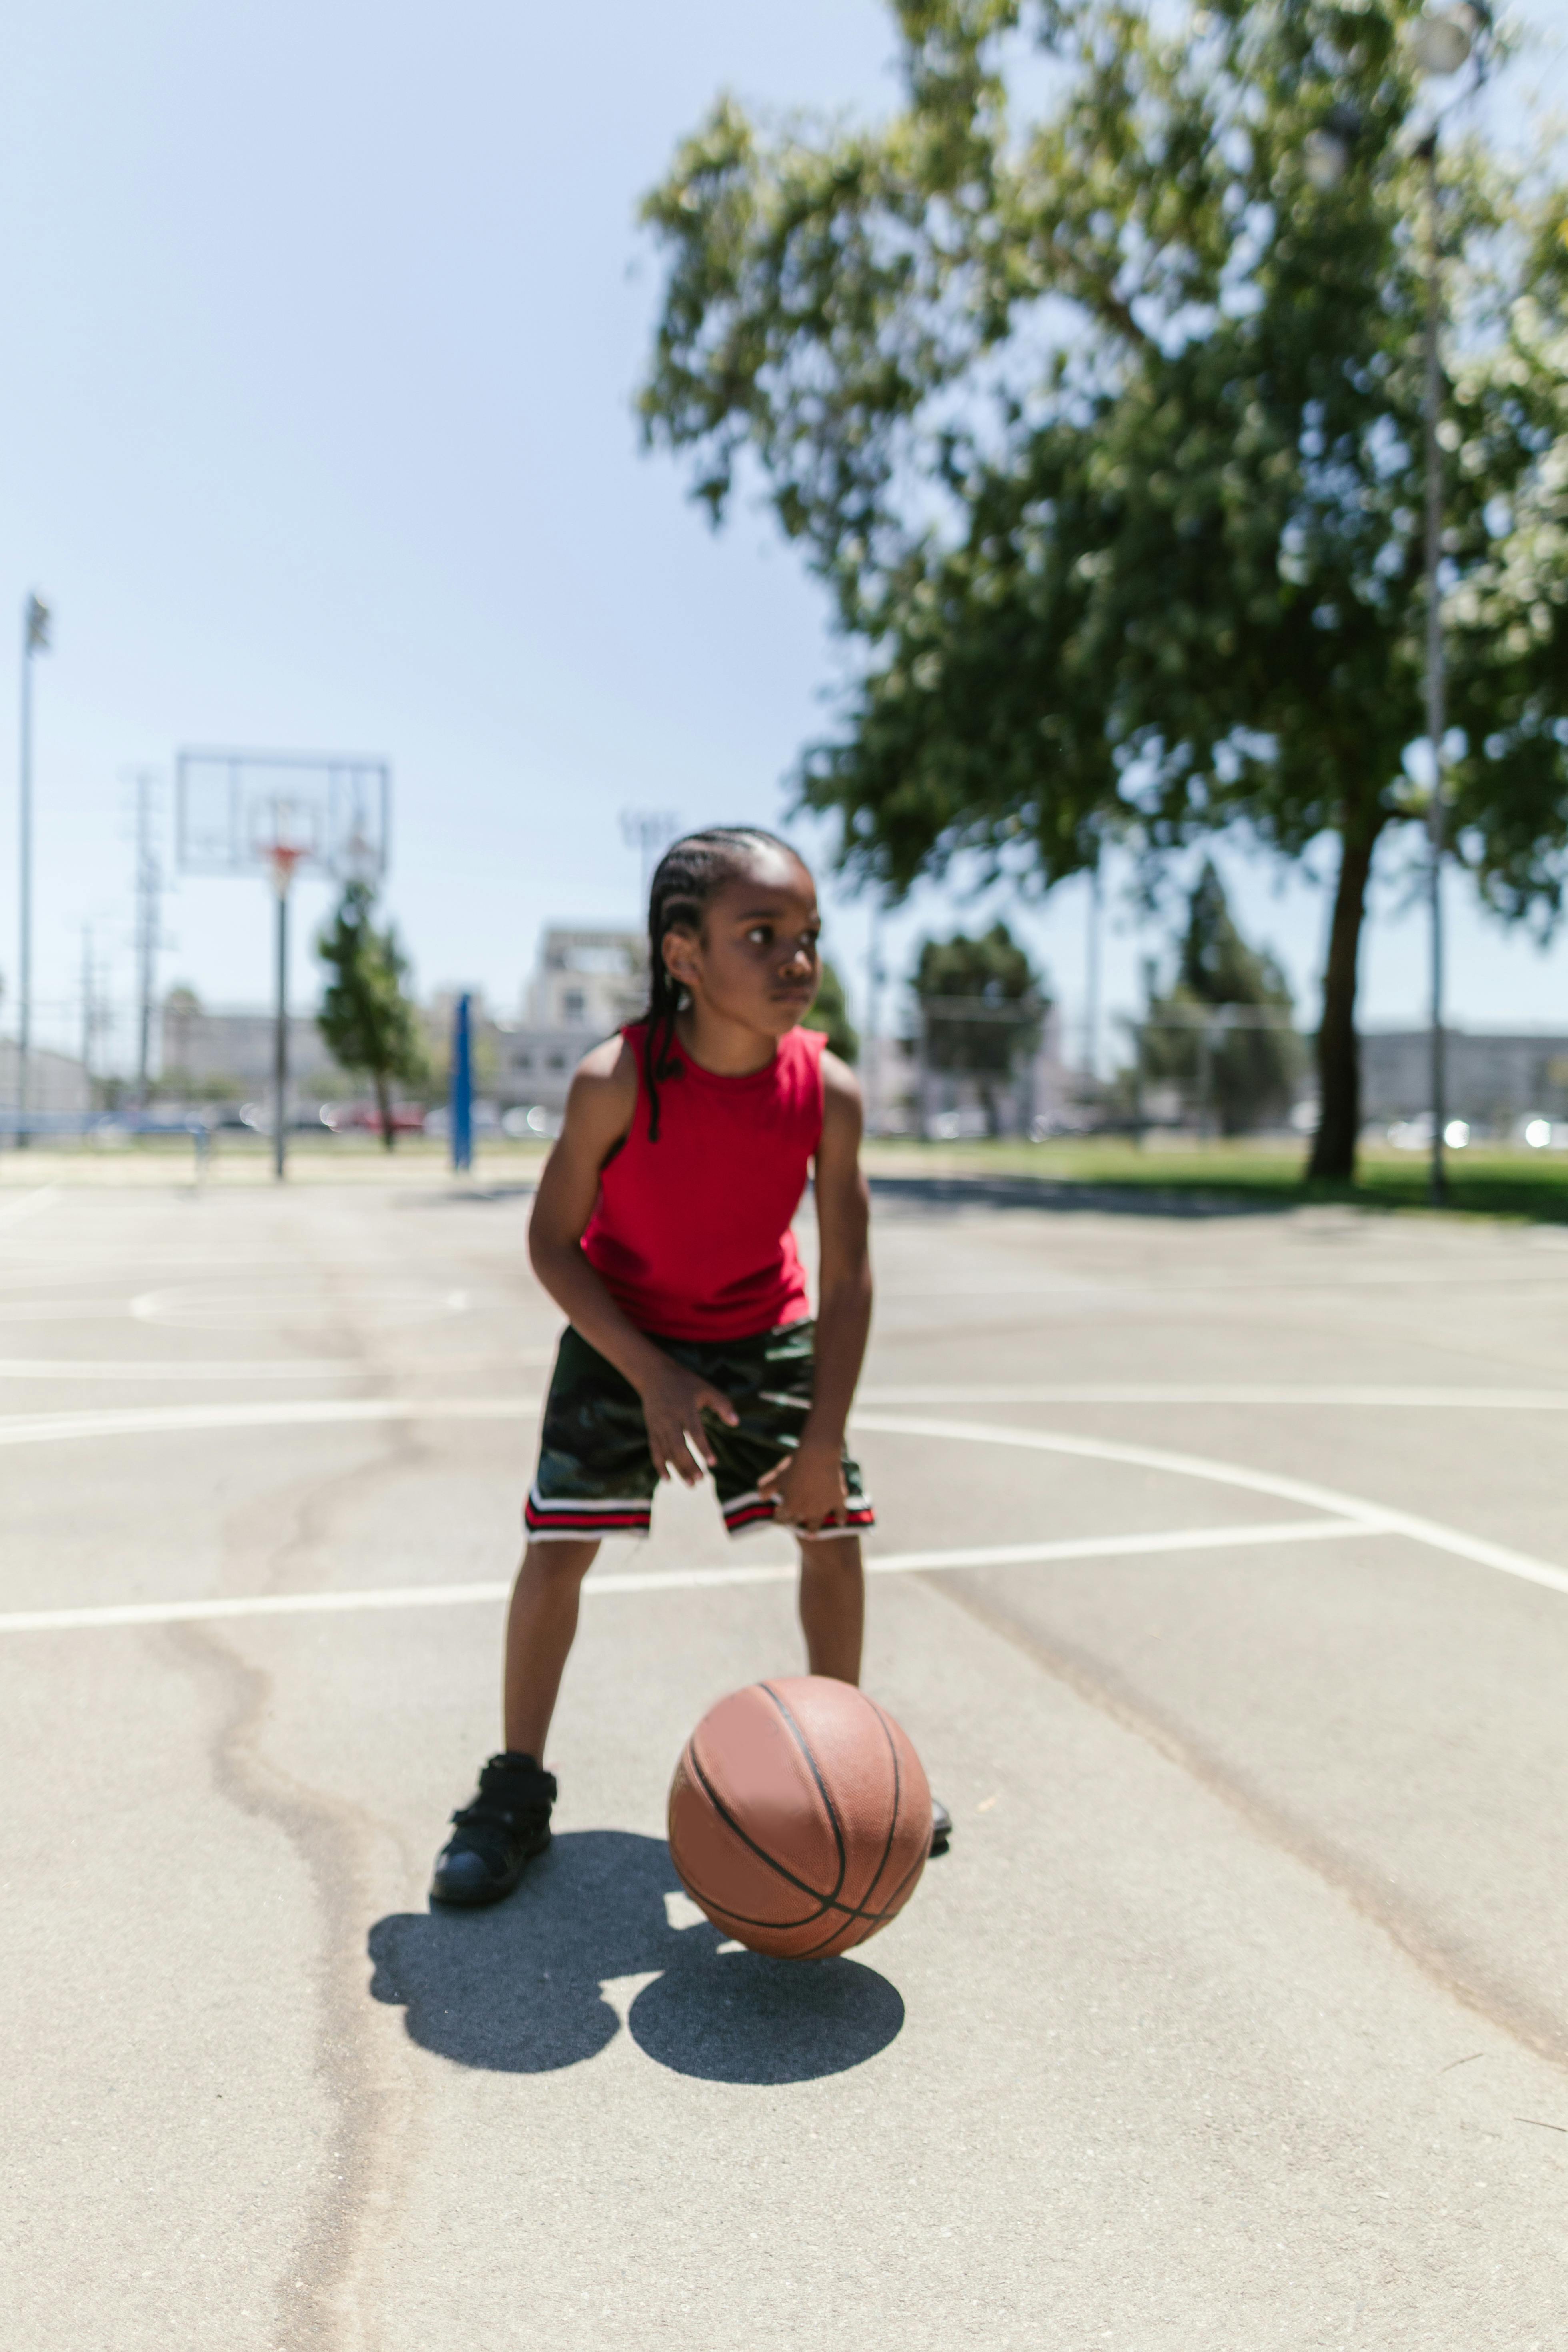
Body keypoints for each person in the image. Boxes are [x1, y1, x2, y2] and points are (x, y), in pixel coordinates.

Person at [431, 824, 949, 1905]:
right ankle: (515, 1785)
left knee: (831, 1537)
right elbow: (549, 1243)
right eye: (760, 934)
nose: (795, 960)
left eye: (807, 935)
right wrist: (649, 1374)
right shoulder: (615, 1081)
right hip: (624, 1330)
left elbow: (848, 1278)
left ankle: (841, 1768)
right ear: (683, 954)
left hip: (763, 1330)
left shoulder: (830, 1091)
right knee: (556, 1550)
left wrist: (817, 1442)